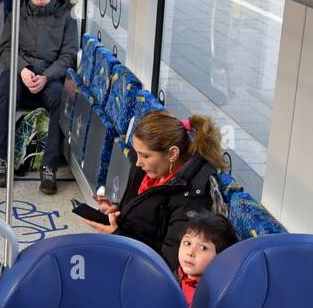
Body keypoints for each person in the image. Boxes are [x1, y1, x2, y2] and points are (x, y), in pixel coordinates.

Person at [80, 111, 226, 270]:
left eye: (144, 156)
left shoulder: (191, 199)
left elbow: (168, 265)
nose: (138, 163)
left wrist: (117, 235)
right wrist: (117, 211)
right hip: (126, 254)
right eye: (137, 154)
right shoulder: (149, 170)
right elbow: (145, 216)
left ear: (172, 154)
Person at [0, 0, 79, 195]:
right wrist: (21, 70)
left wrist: (47, 76)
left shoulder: (66, 18)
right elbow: (6, 49)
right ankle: (2, 158)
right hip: (21, 71)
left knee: (61, 98)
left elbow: (68, 55)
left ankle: (49, 165)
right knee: (6, 92)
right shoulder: (17, 16)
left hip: (49, 75)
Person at [177, 212, 239, 306]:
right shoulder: (178, 275)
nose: (190, 253)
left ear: (221, 256)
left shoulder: (213, 297)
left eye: (203, 248)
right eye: (187, 243)